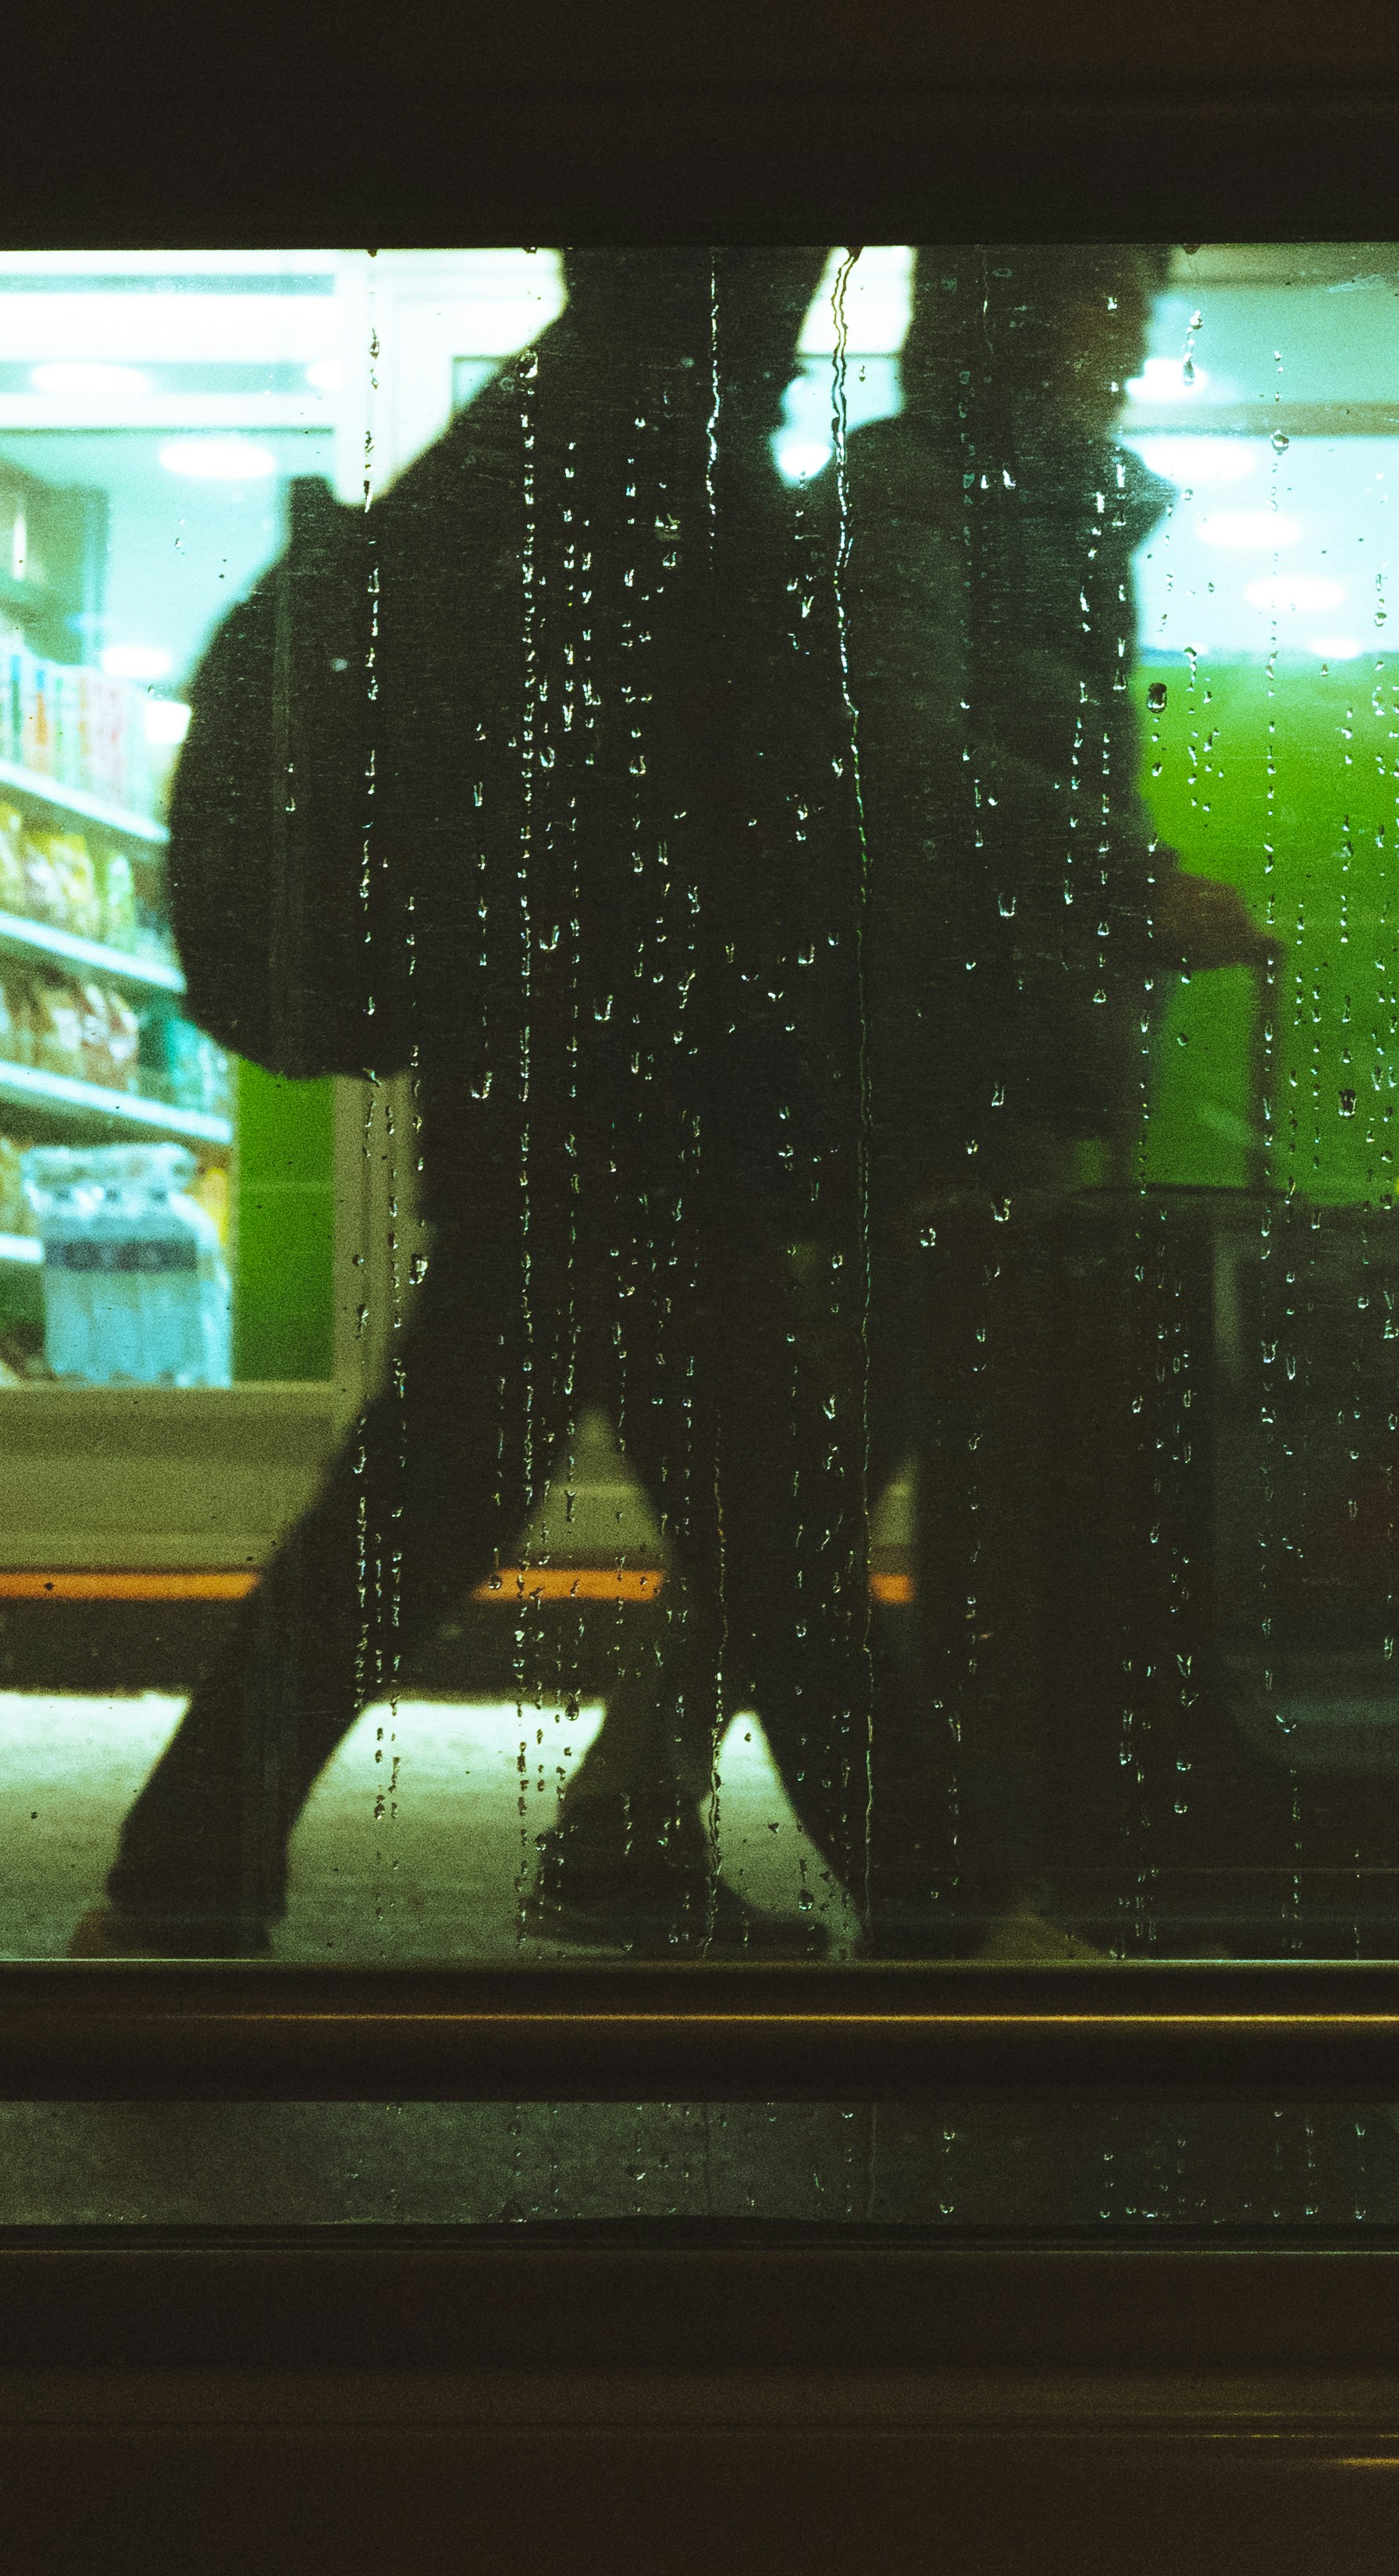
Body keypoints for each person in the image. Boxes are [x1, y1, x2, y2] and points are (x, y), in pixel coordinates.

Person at [79, 245, 879, 1962]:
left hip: (556, 1080)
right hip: (634, 1090)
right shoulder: (652, 445)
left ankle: (181, 1881)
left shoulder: (545, 430)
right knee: (766, 1531)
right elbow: (699, 806)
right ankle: (952, 1905)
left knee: (479, 1503)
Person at [801, 240, 1274, 1955]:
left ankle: (640, 1814)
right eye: (1096, 290)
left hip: (1000, 1036)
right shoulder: (923, 501)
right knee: (874, 1444)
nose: (1129, 325)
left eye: (1139, 292)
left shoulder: (1024, 509)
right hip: (942, 1049)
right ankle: (944, 1852)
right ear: (1006, 307)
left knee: (845, 1448)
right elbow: (909, 760)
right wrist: (1128, 881)